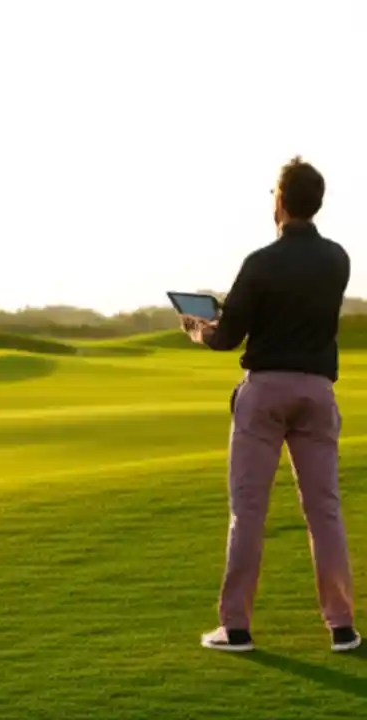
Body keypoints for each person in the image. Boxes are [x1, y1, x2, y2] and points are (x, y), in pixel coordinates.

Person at [182, 156, 359, 653]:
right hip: (318, 393)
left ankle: (235, 627)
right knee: (324, 510)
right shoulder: (338, 259)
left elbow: (227, 337)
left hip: (265, 394)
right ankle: (341, 626)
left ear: (279, 202)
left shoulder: (260, 263)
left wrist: (199, 329)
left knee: (249, 511)